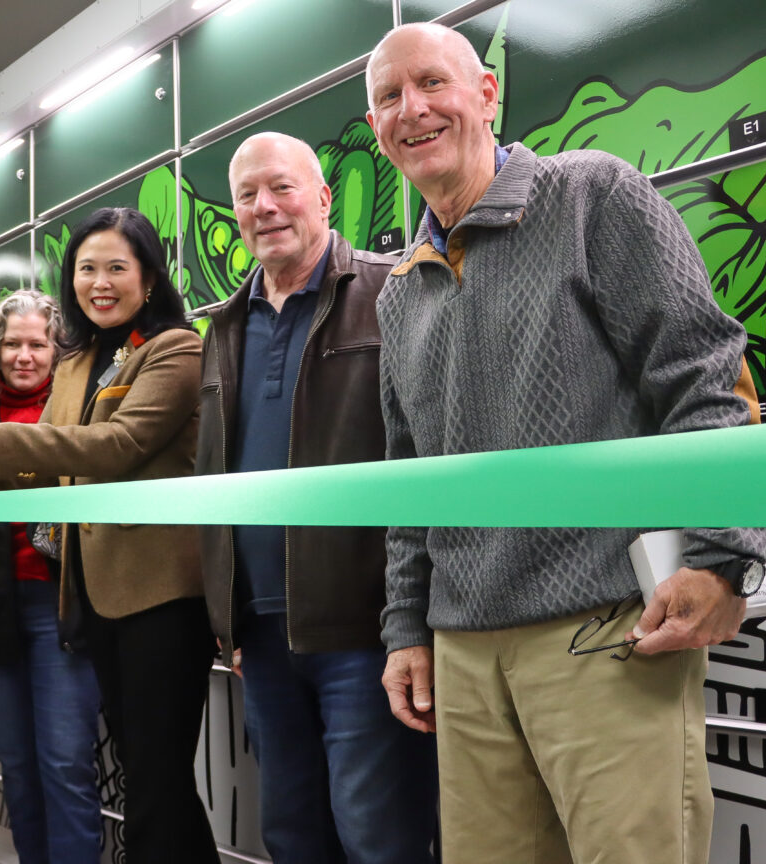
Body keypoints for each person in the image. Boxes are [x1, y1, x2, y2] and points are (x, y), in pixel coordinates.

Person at [366, 22, 766, 864]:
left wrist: (724, 554)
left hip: (606, 633)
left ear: (486, 95)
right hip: (465, 652)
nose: (412, 109)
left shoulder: (593, 196)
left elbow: (705, 378)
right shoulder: (398, 294)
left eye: (433, 84)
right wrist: (406, 627)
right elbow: (410, 480)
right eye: (388, 97)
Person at [0, 207, 218, 864]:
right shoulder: (79, 360)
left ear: (149, 279)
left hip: (161, 600)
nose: (99, 282)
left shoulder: (176, 348)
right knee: (150, 780)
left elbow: (117, 445)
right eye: (86, 268)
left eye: (116, 268)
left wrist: (0, 441)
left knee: (154, 779)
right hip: (91, 601)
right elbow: (50, 461)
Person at [194, 131, 438, 863]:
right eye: (247, 195)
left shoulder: (389, 290)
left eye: (282, 187)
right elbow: (216, 471)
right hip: (262, 639)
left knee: (378, 837)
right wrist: (226, 614)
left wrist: (409, 623)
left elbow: (420, 457)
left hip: (363, 634)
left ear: (324, 198)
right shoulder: (224, 325)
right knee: (291, 834)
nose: (265, 207)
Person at [0, 289, 103, 864]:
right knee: (19, 771)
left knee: (65, 766)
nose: (24, 355)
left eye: (38, 344)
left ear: (59, 350)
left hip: (63, 610)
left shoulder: (80, 409)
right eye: (12, 344)